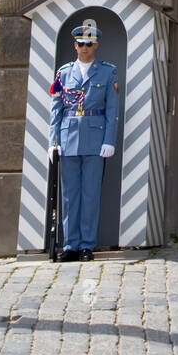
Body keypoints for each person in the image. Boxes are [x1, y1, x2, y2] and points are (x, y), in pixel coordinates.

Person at [48, 17, 118, 263]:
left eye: (89, 43)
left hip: (95, 139)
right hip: (68, 138)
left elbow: (112, 110)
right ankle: (71, 245)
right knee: (69, 196)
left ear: (96, 45)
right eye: (81, 44)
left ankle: (87, 245)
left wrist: (109, 140)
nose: (85, 48)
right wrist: (53, 140)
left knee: (90, 194)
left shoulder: (108, 72)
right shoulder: (64, 73)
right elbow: (56, 110)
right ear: (75, 46)